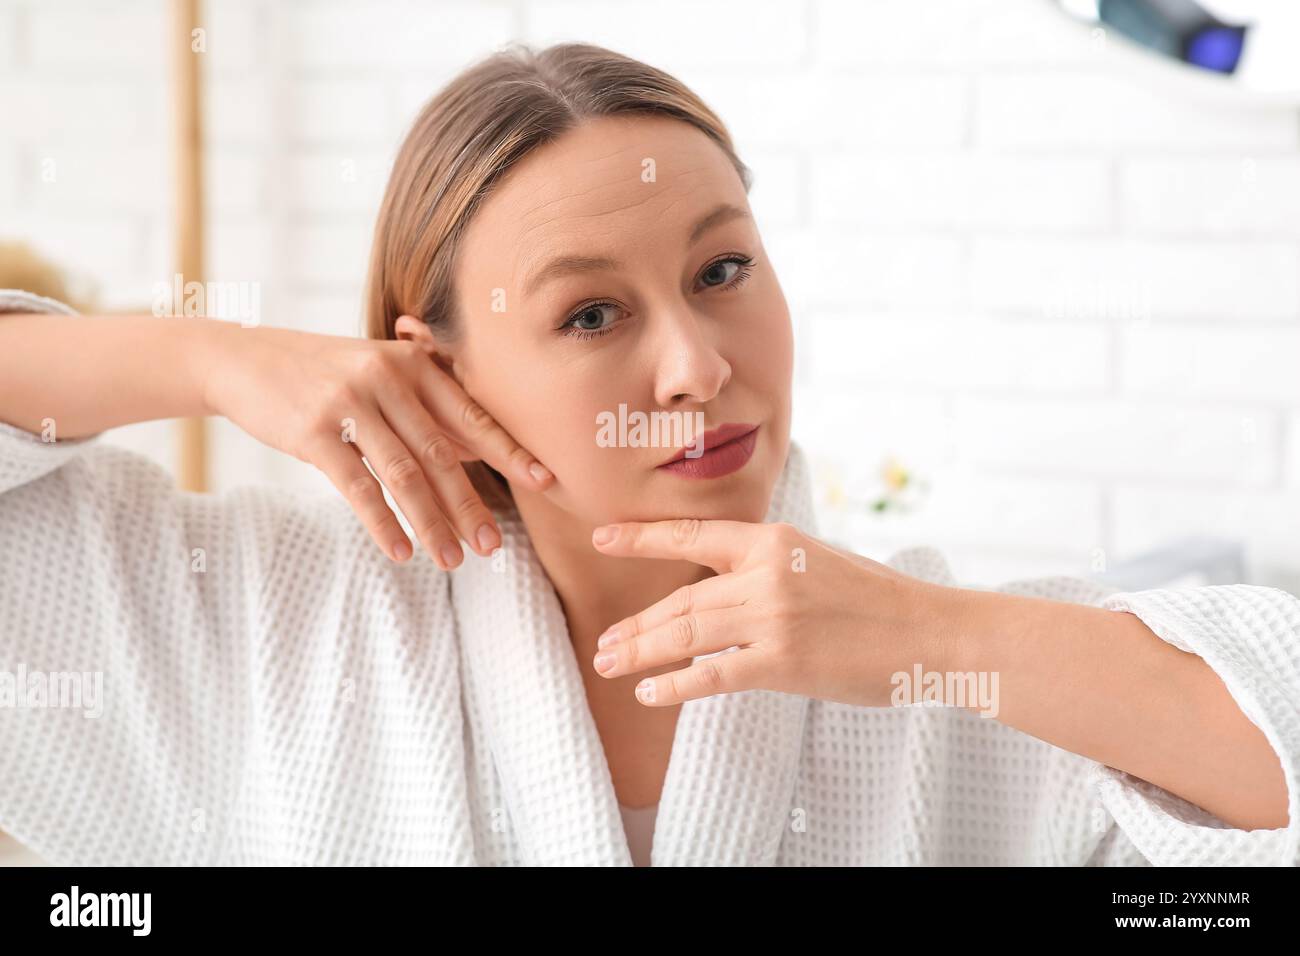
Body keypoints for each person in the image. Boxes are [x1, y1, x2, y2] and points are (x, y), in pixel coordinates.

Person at [0, 42, 1295, 866]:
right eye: (591, 314)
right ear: (437, 371)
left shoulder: (940, 659)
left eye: (722, 268)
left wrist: (930, 641)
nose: (698, 365)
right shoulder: (262, 629)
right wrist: (208, 358)